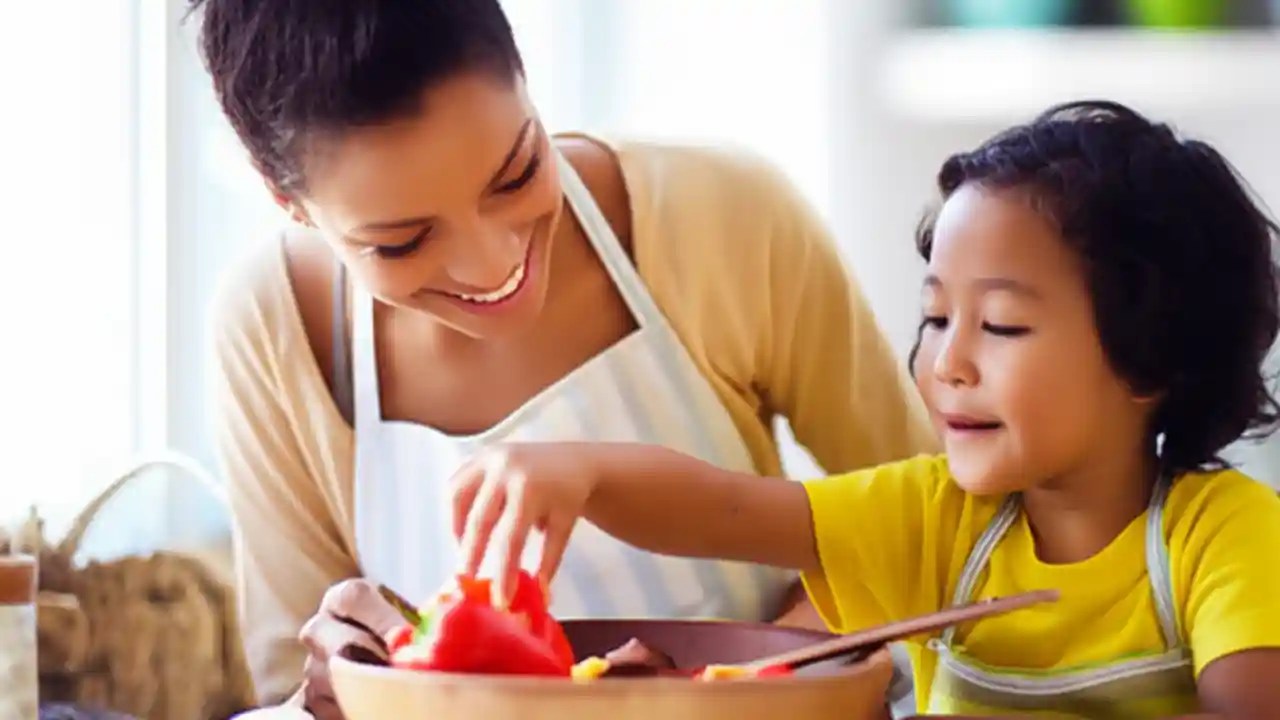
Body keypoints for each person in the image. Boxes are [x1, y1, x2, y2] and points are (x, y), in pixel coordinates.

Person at [195, 0, 936, 713]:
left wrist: (758, 673)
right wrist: (340, 676)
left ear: (527, 80)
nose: (491, 268)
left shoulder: (724, 214)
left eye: (516, 174)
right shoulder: (273, 327)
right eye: (401, 242)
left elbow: (946, 523)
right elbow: (287, 686)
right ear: (286, 199)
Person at [453, 101, 1280, 718]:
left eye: (1000, 325)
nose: (946, 362)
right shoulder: (937, 519)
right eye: (933, 318)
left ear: (1151, 356)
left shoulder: (1224, 535)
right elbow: (727, 510)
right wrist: (582, 471)